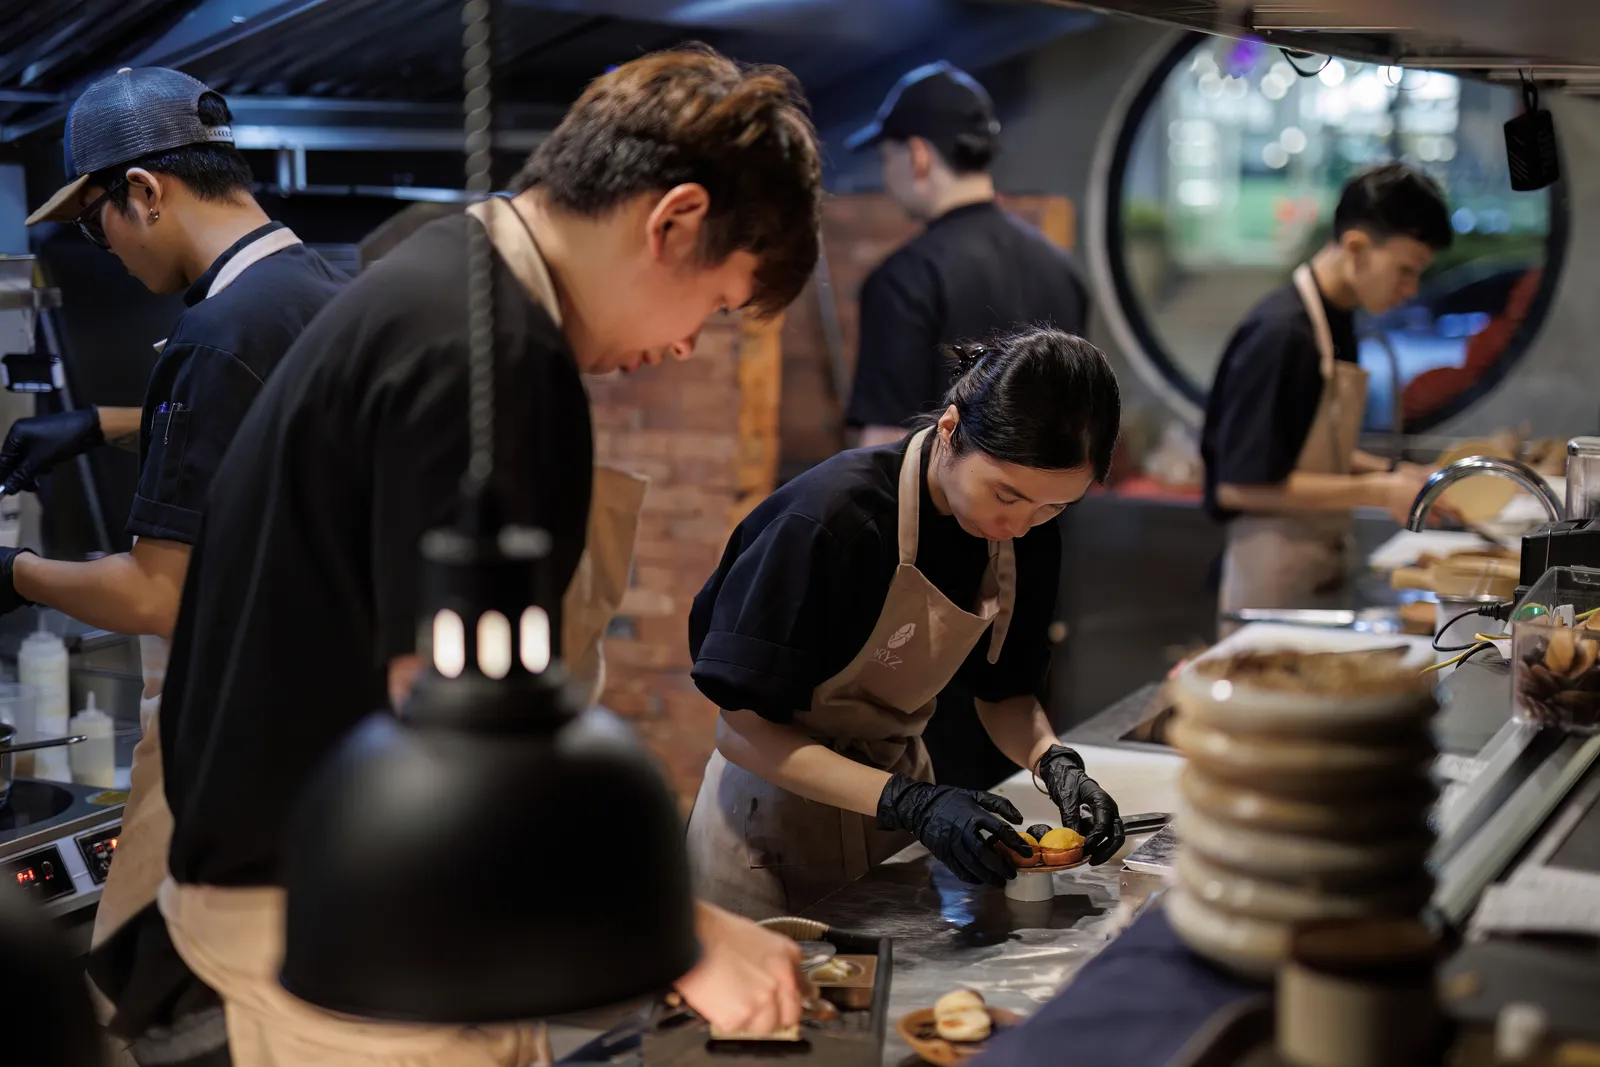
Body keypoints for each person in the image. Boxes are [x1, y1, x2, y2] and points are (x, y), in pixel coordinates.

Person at [96, 46, 824, 1067]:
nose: (685, 347)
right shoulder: (495, 355)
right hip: (362, 920)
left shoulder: (441, 285)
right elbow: (454, 739)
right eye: (716, 306)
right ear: (675, 221)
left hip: (352, 897)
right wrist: (685, 935)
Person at [0, 67, 346, 1055]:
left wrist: (15, 570)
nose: (101, 242)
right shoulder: (311, 288)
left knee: (171, 1024)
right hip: (326, 757)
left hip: (253, 759)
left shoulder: (217, 331)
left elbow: (161, 591)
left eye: (98, 214)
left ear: (144, 190)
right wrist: (109, 423)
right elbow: (258, 432)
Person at [686, 328, 1127, 919]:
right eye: (1007, 495)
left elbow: (1004, 694)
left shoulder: (1027, 538)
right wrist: (911, 802)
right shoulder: (826, 521)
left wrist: (1056, 763)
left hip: (891, 812)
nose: (1022, 523)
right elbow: (741, 732)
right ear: (949, 431)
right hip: (769, 822)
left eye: (1053, 507)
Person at [841, 61, 1091, 789]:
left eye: (889, 155)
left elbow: (880, 456)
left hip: (928, 591)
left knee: (930, 811)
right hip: (1032, 570)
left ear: (917, 155)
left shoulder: (907, 277)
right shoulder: (1060, 269)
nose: (890, 171)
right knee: (1009, 793)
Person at [1202, 164, 1454, 634]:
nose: (1411, 290)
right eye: (1406, 270)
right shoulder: (1281, 333)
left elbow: (1308, 446)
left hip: (1316, 571)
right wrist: (1379, 491)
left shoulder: (1338, 321)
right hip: (1269, 586)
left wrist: (1394, 473)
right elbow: (1239, 483)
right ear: (1357, 247)